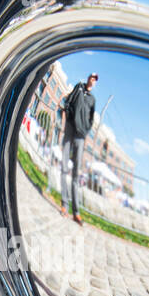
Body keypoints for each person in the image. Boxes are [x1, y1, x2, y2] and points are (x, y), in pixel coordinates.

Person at [59, 73, 97, 223]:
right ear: (88, 78)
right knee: (64, 167)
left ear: (95, 83)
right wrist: (68, 116)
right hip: (69, 129)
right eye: (91, 77)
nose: (92, 80)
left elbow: (91, 118)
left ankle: (76, 212)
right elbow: (68, 101)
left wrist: (85, 130)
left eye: (95, 79)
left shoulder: (92, 99)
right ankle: (64, 205)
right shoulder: (79, 87)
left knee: (76, 172)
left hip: (81, 136)